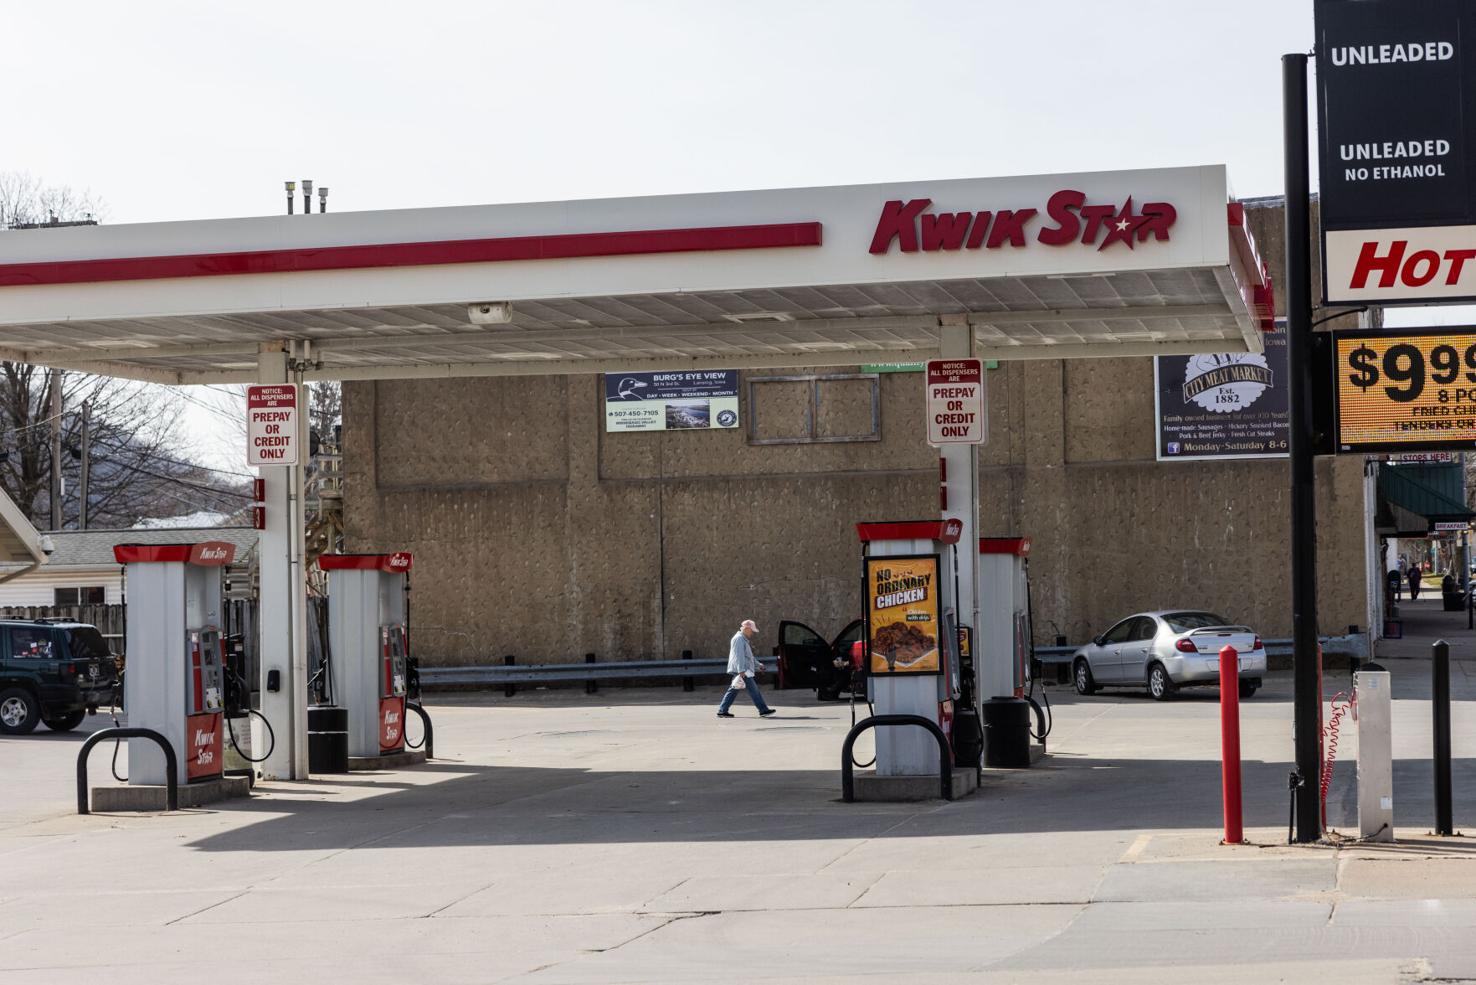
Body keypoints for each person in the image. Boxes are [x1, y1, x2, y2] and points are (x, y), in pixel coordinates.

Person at [717, 619, 776, 718]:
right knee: (753, 691)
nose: (752, 632)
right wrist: (741, 670)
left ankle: (722, 710)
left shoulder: (742, 639)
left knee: (734, 690)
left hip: (743, 670)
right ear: (747, 629)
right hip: (743, 670)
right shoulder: (739, 639)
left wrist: (758, 665)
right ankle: (763, 710)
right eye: (751, 630)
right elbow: (739, 655)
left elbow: (749, 657)